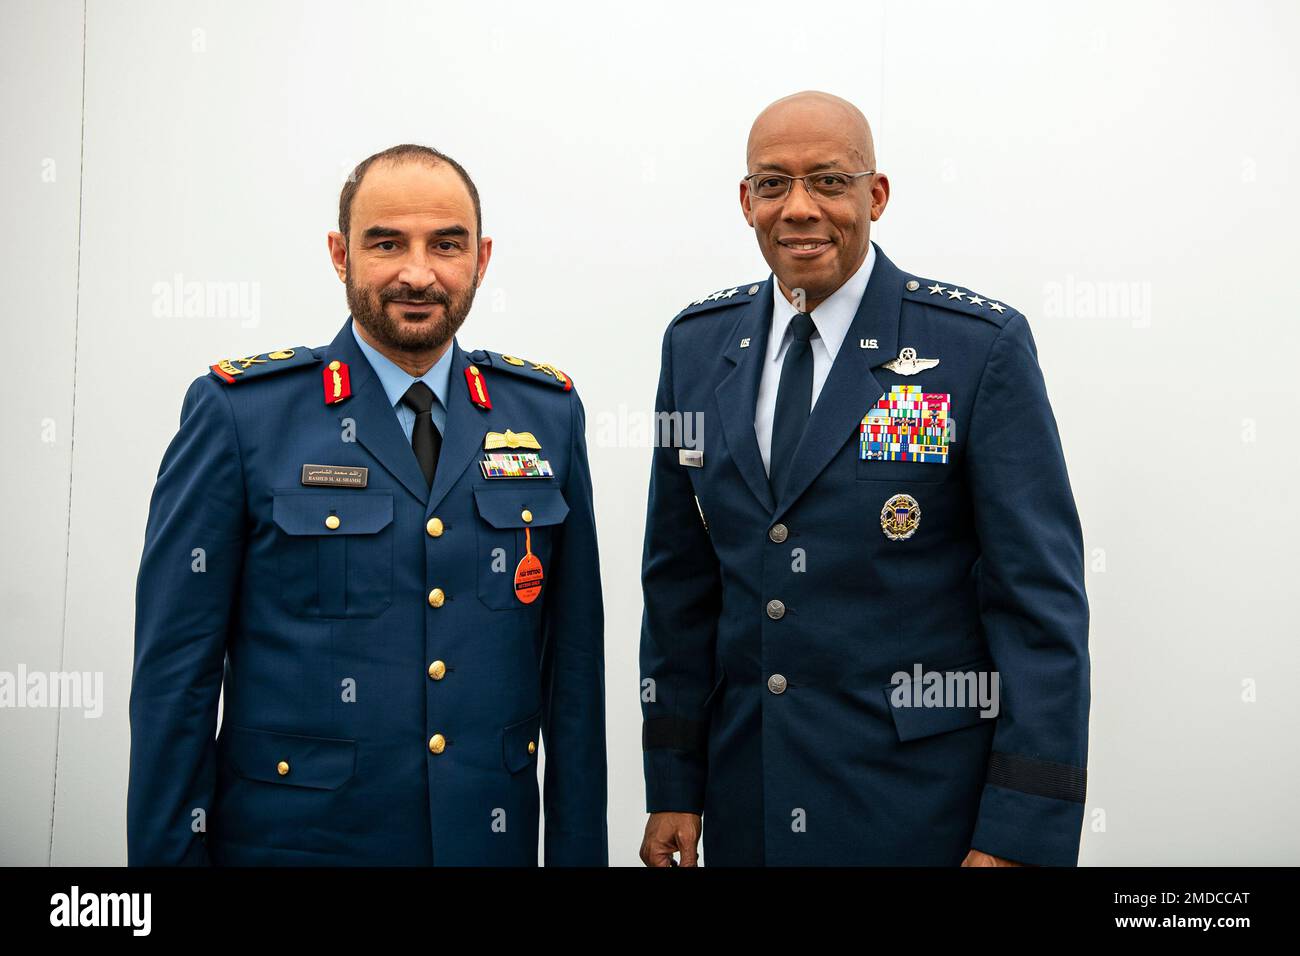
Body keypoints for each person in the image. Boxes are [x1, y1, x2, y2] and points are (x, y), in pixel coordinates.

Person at [638, 92, 1089, 867]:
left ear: (875, 195)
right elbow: (679, 585)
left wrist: (1019, 833)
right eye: (773, 184)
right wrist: (674, 780)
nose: (800, 209)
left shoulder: (976, 351)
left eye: (830, 181)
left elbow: (1039, 609)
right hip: (753, 803)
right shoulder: (695, 350)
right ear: (746, 202)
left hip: (918, 808)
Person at [128, 144, 607, 866]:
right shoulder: (242, 417)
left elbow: (574, 681)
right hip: (298, 848)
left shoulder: (546, 417)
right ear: (339, 254)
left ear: (480, 259)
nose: (418, 273)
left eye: (445, 245)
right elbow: (176, 681)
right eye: (387, 243)